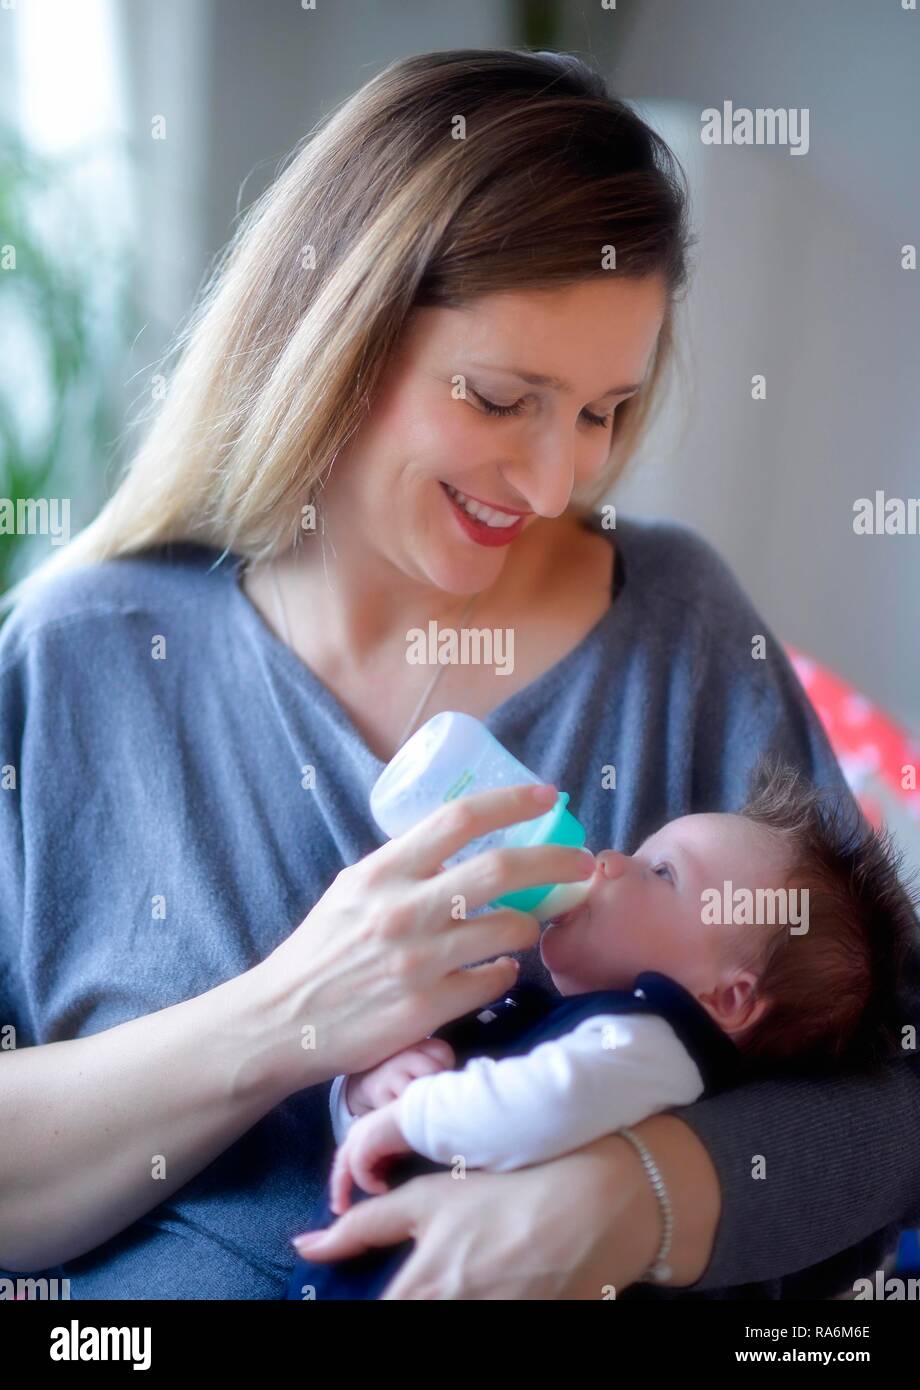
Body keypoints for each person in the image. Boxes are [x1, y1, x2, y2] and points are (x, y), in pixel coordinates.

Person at [1, 48, 919, 1301]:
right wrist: (285, 1017)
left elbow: (890, 1088)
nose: (554, 484)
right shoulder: (75, 659)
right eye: (499, 399)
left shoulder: (673, 631)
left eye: (602, 413)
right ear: (336, 337)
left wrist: (625, 1200)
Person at [286, 758, 919, 1298]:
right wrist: (370, 1094)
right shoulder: (540, 1013)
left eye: (662, 873)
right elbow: (377, 1149)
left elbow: (543, 1103)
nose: (612, 860)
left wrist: (411, 1114)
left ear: (726, 998)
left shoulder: (653, 1039)